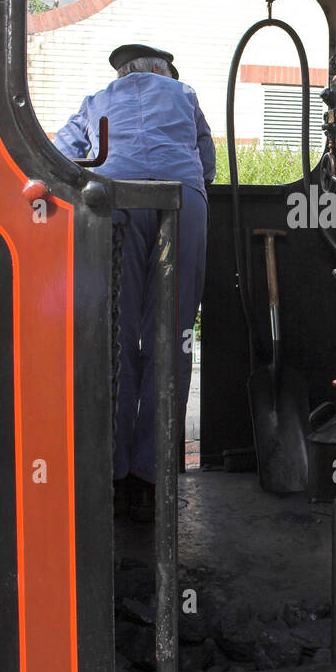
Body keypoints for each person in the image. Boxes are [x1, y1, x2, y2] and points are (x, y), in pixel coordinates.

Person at [54, 44, 215, 520]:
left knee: (116, 338)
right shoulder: (184, 93)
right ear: (163, 70)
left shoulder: (95, 100)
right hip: (181, 203)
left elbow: (61, 156)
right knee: (174, 334)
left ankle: (112, 471)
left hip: (114, 200)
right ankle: (152, 474)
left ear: (122, 74)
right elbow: (205, 162)